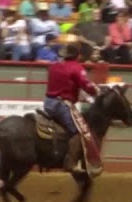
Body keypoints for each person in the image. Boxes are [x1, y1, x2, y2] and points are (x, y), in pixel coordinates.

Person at [43, 42, 101, 174]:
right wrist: (97, 91)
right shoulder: (76, 68)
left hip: (48, 102)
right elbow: (86, 85)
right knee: (79, 130)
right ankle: (71, 163)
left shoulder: (53, 66)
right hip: (62, 104)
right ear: (78, 55)